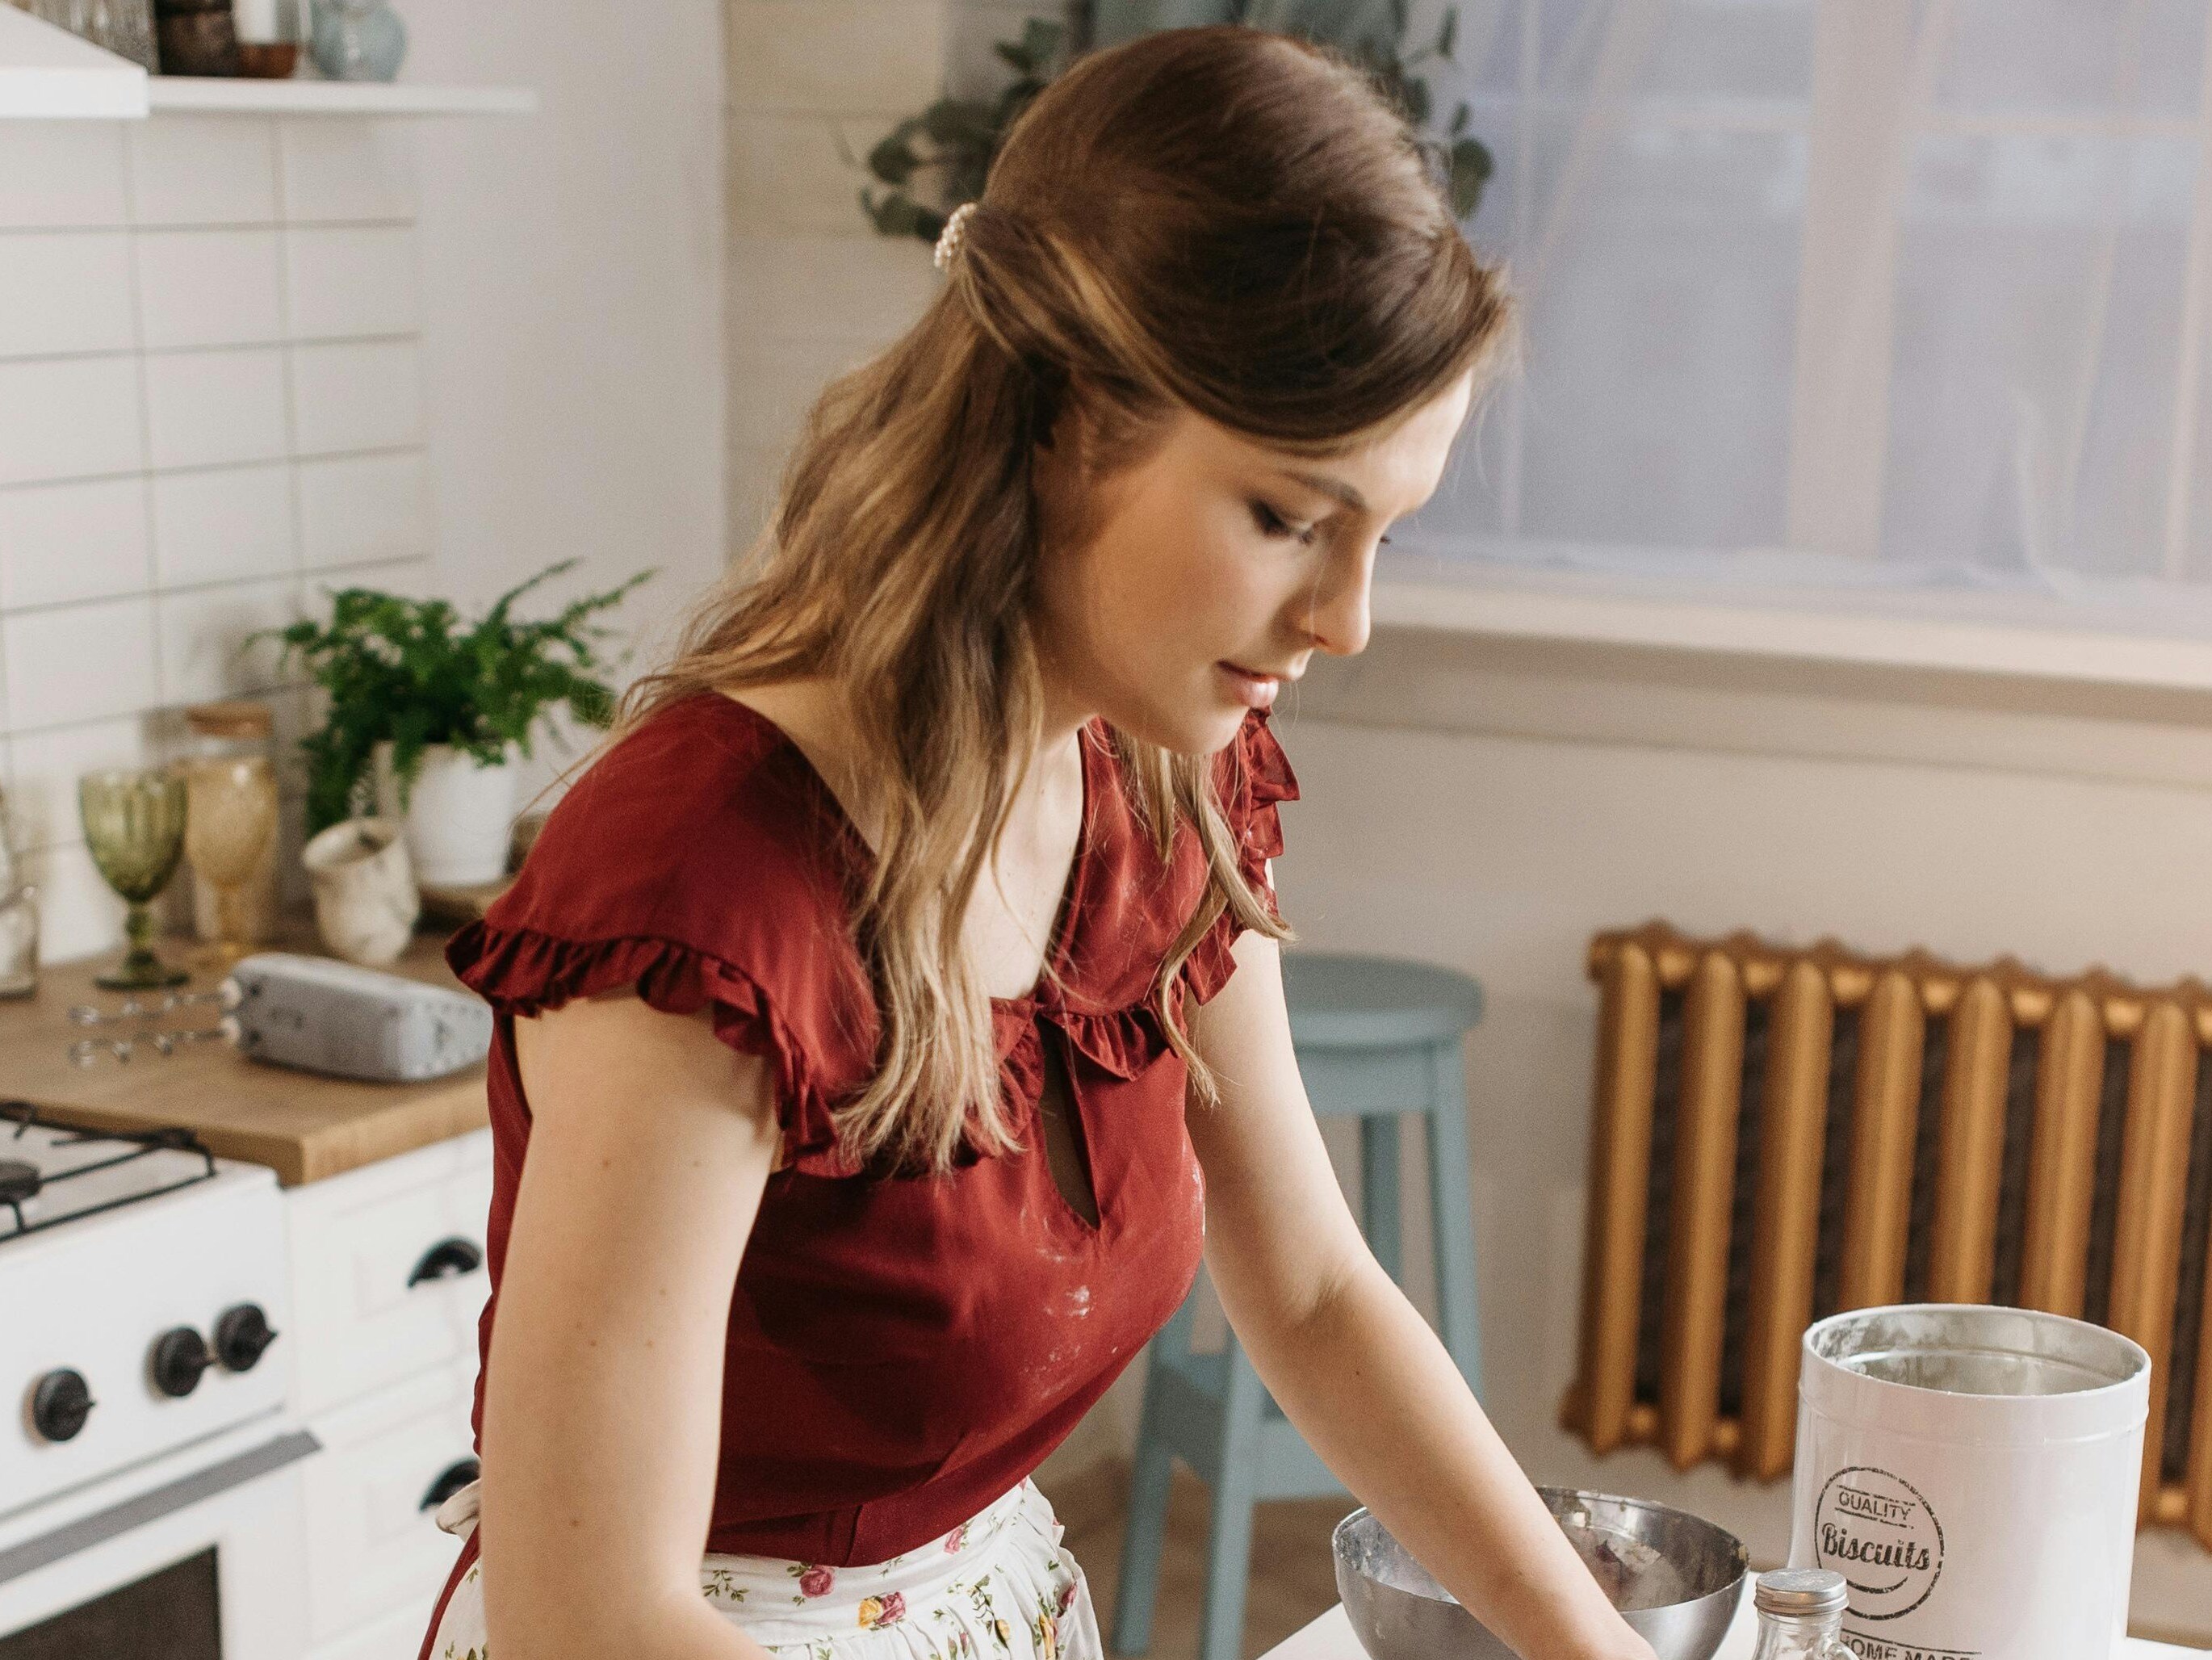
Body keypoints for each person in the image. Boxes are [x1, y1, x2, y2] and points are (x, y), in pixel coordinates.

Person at [417, 23, 1654, 1660]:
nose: (1347, 620)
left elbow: (1309, 1291)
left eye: (1383, 535)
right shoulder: (704, 892)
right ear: (1066, 417)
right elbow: (588, 1618)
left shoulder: (1161, 780)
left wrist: (1593, 1648)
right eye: (1289, 518)